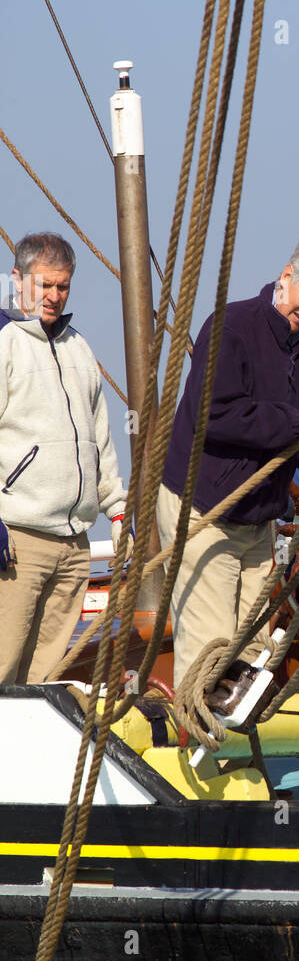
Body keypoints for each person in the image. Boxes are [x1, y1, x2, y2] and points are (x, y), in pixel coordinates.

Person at [157, 237, 299, 686]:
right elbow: (216, 416)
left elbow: (290, 440)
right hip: (206, 510)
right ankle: (201, 747)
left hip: (257, 520)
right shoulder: (232, 327)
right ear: (287, 275)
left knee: (253, 653)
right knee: (211, 646)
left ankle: (235, 748)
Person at [0, 232, 127, 684]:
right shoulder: (4, 343)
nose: (54, 296)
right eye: (45, 285)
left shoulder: (79, 348)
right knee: (2, 663)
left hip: (74, 544)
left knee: (46, 678)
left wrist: (118, 511)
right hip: (17, 539)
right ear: (18, 279)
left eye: (63, 286)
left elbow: (100, 443)